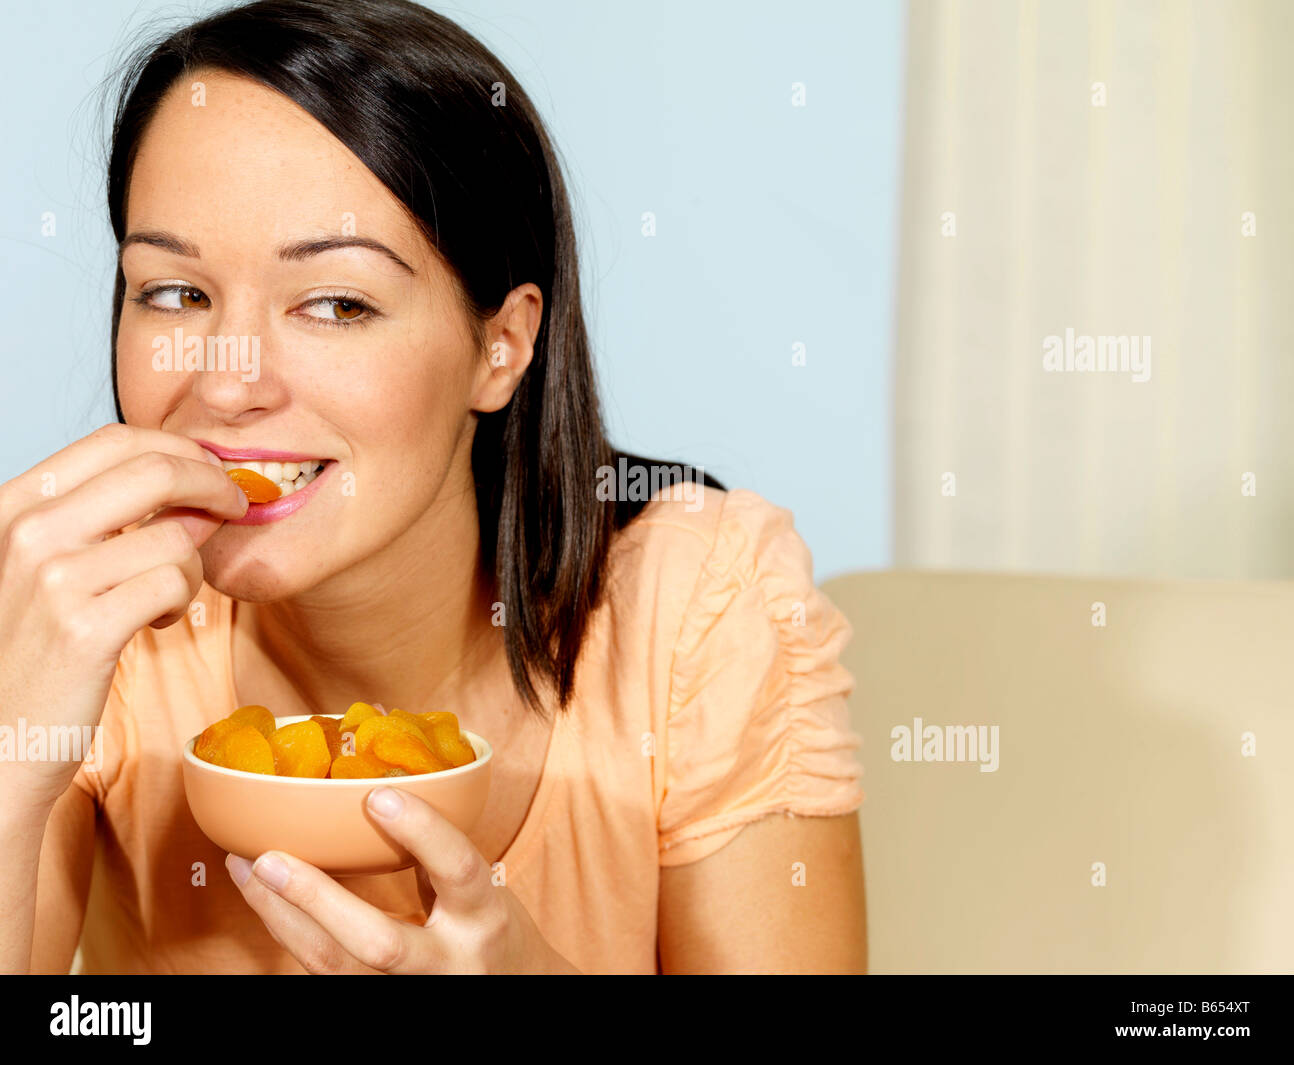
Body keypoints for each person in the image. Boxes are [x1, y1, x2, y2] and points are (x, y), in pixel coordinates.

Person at [0, 0, 866, 974]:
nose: (228, 384)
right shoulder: (88, 614)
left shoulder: (699, 608)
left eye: (335, 303)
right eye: (176, 293)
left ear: (502, 346)